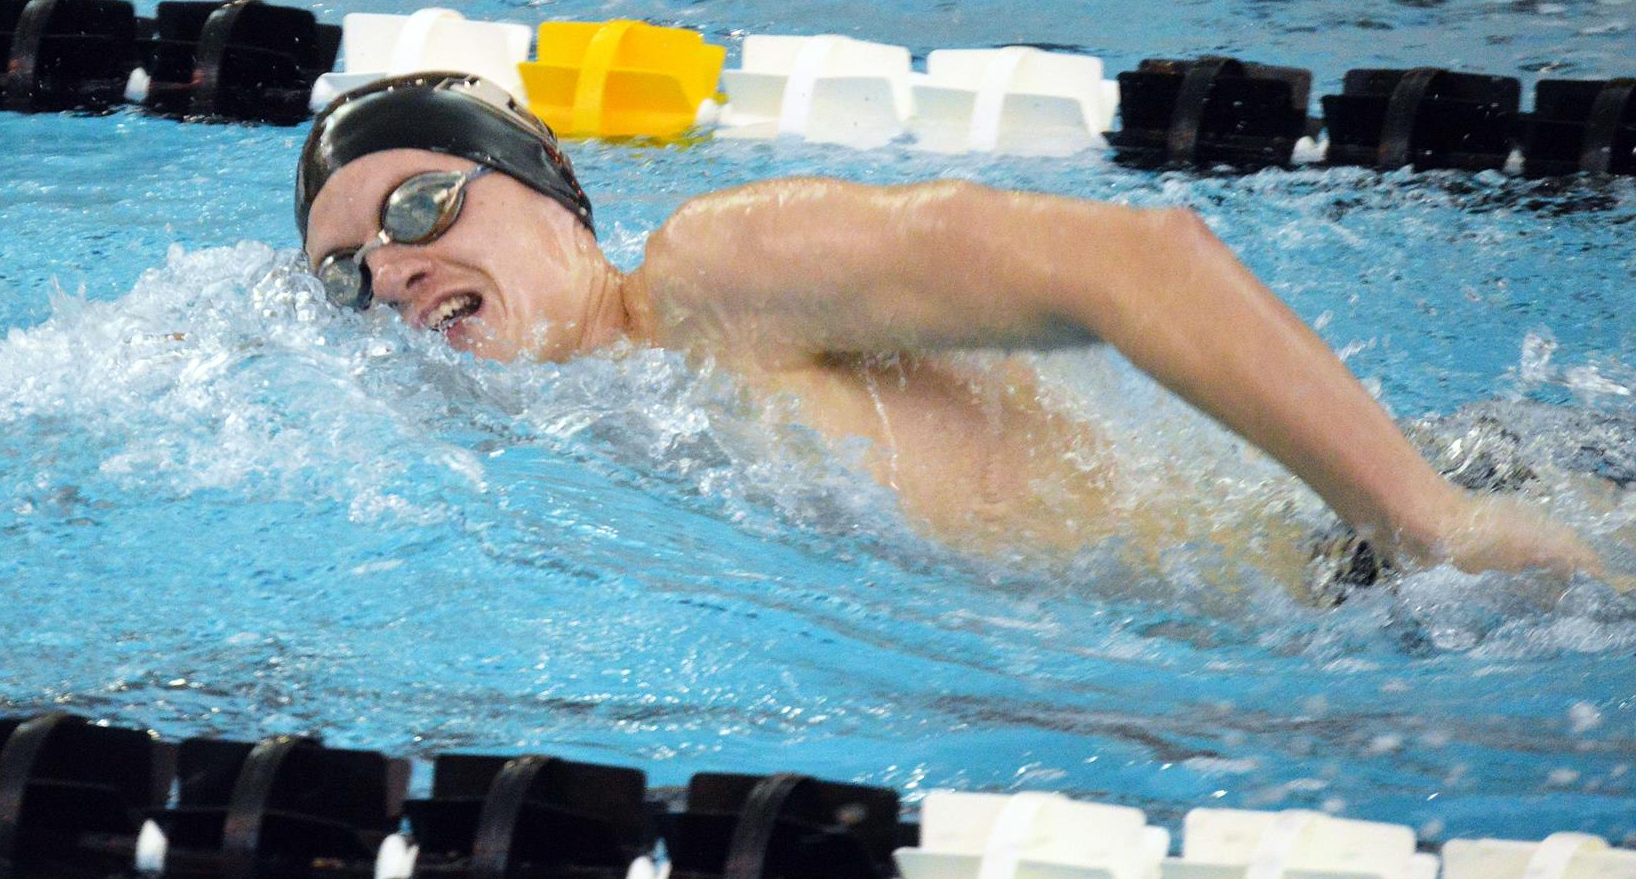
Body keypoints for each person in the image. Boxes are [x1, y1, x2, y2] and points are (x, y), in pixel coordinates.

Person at [295, 72, 1609, 588]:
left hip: (1402, 556)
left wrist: (1431, 520)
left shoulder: (713, 276)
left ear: (551, 194)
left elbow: (1138, 256)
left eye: (420, 201)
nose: (395, 269)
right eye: (346, 273)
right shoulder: (602, 426)